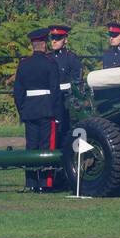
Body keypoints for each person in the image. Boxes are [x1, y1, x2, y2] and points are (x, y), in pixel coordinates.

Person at [13, 28, 63, 192]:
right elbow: (55, 91)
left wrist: (23, 111)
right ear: (44, 44)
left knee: (31, 146)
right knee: (46, 147)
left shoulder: (24, 64)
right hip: (47, 109)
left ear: (33, 45)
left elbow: (18, 92)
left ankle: (31, 182)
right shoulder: (50, 63)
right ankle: (45, 183)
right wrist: (57, 113)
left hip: (29, 109)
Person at [48, 25, 82, 185]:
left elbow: (76, 80)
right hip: (52, 101)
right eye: (52, 38)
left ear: (65, 40)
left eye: (57, 39)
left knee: (67, 133)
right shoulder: (48, 58)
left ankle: (66, 170)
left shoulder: (71, 58)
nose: (54, 41)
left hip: (66, 101)